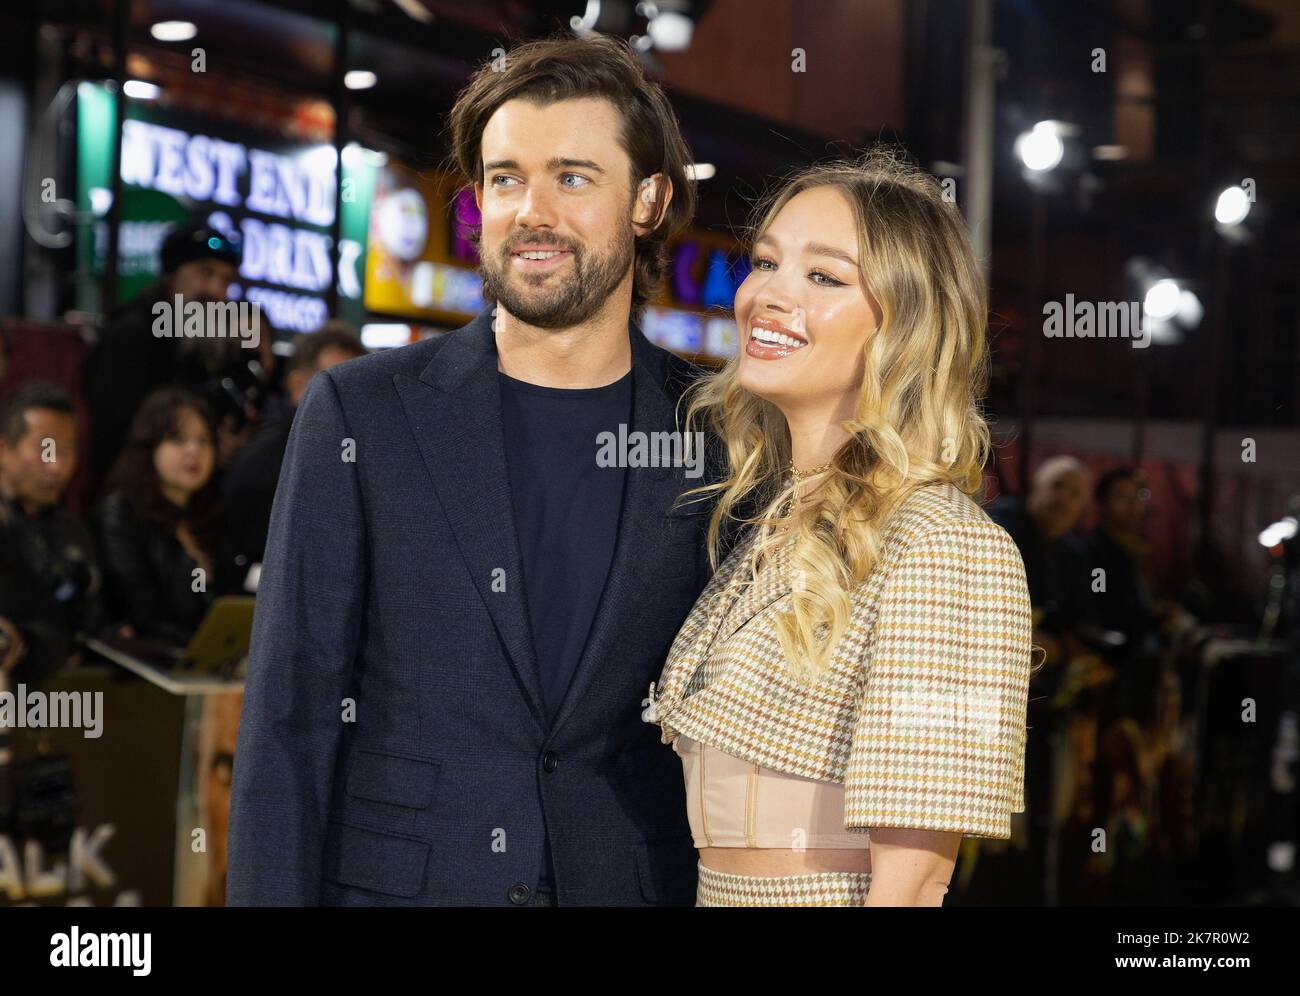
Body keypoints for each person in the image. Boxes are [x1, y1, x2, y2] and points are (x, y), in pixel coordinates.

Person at [227, 34, 719, 907]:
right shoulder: (361, 413)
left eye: (572, 177)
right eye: (504, 178)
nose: (531, 210)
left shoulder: (718, 433)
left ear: (648, 200)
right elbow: (290, 719)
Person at [649, 148, 1036, 906]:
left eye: (824, 276)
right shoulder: (771, 521)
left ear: (906, 323)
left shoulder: (943, 543)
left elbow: (917, 872)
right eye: (764, 262)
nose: (768, 294)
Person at [82, 221, 261, 485]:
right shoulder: (130, 336)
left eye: (225, 281)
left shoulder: (211, 347)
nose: (214, 291)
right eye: (205, 273)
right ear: (172, 274)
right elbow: (111, 439)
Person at [221, 322, 366, 584]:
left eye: (358, 389)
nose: (352, 401)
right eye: (339, 386)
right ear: (298, 385)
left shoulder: (342, 453)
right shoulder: (270, 457)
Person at [93, 387, 222, 647]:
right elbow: (142, 613)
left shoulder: (208, 515)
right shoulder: (121, 514)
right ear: (149, 445)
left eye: (204, 440)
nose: (194, 451)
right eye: (178, 439)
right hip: (146, 668)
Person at [0, 382, 109, 683]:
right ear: (3, 449)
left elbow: (86, 625)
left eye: (67, 450)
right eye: (45, 449)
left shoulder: (72, 530)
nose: (57, 466)